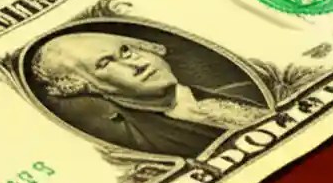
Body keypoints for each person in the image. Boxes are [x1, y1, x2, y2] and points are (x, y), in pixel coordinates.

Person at [30, 31, 268, 157]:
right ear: (82, 85)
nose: (137, 63)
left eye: (125, 50)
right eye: (105, 63)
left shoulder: (245, 92)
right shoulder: (141, 144)